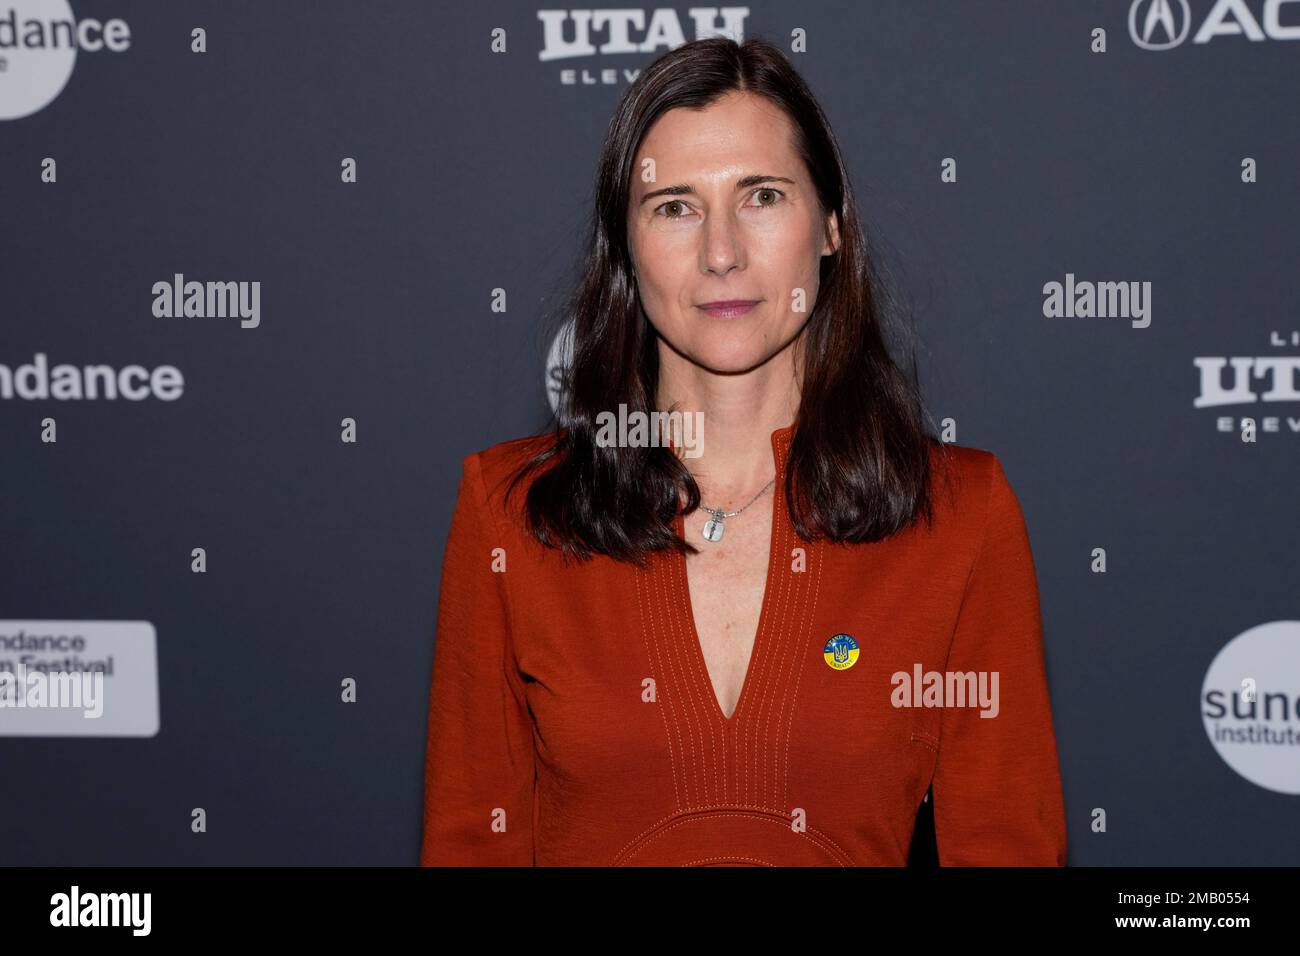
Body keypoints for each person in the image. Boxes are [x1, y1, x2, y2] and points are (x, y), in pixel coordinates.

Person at [420, 35, 1067, 866]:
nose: (721, 252)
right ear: (625, 247)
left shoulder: (961, 515)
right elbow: (471, 844)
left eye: (761, 196)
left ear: (830, 227)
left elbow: (1006, 846)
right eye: (675, 206)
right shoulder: (511, 512)